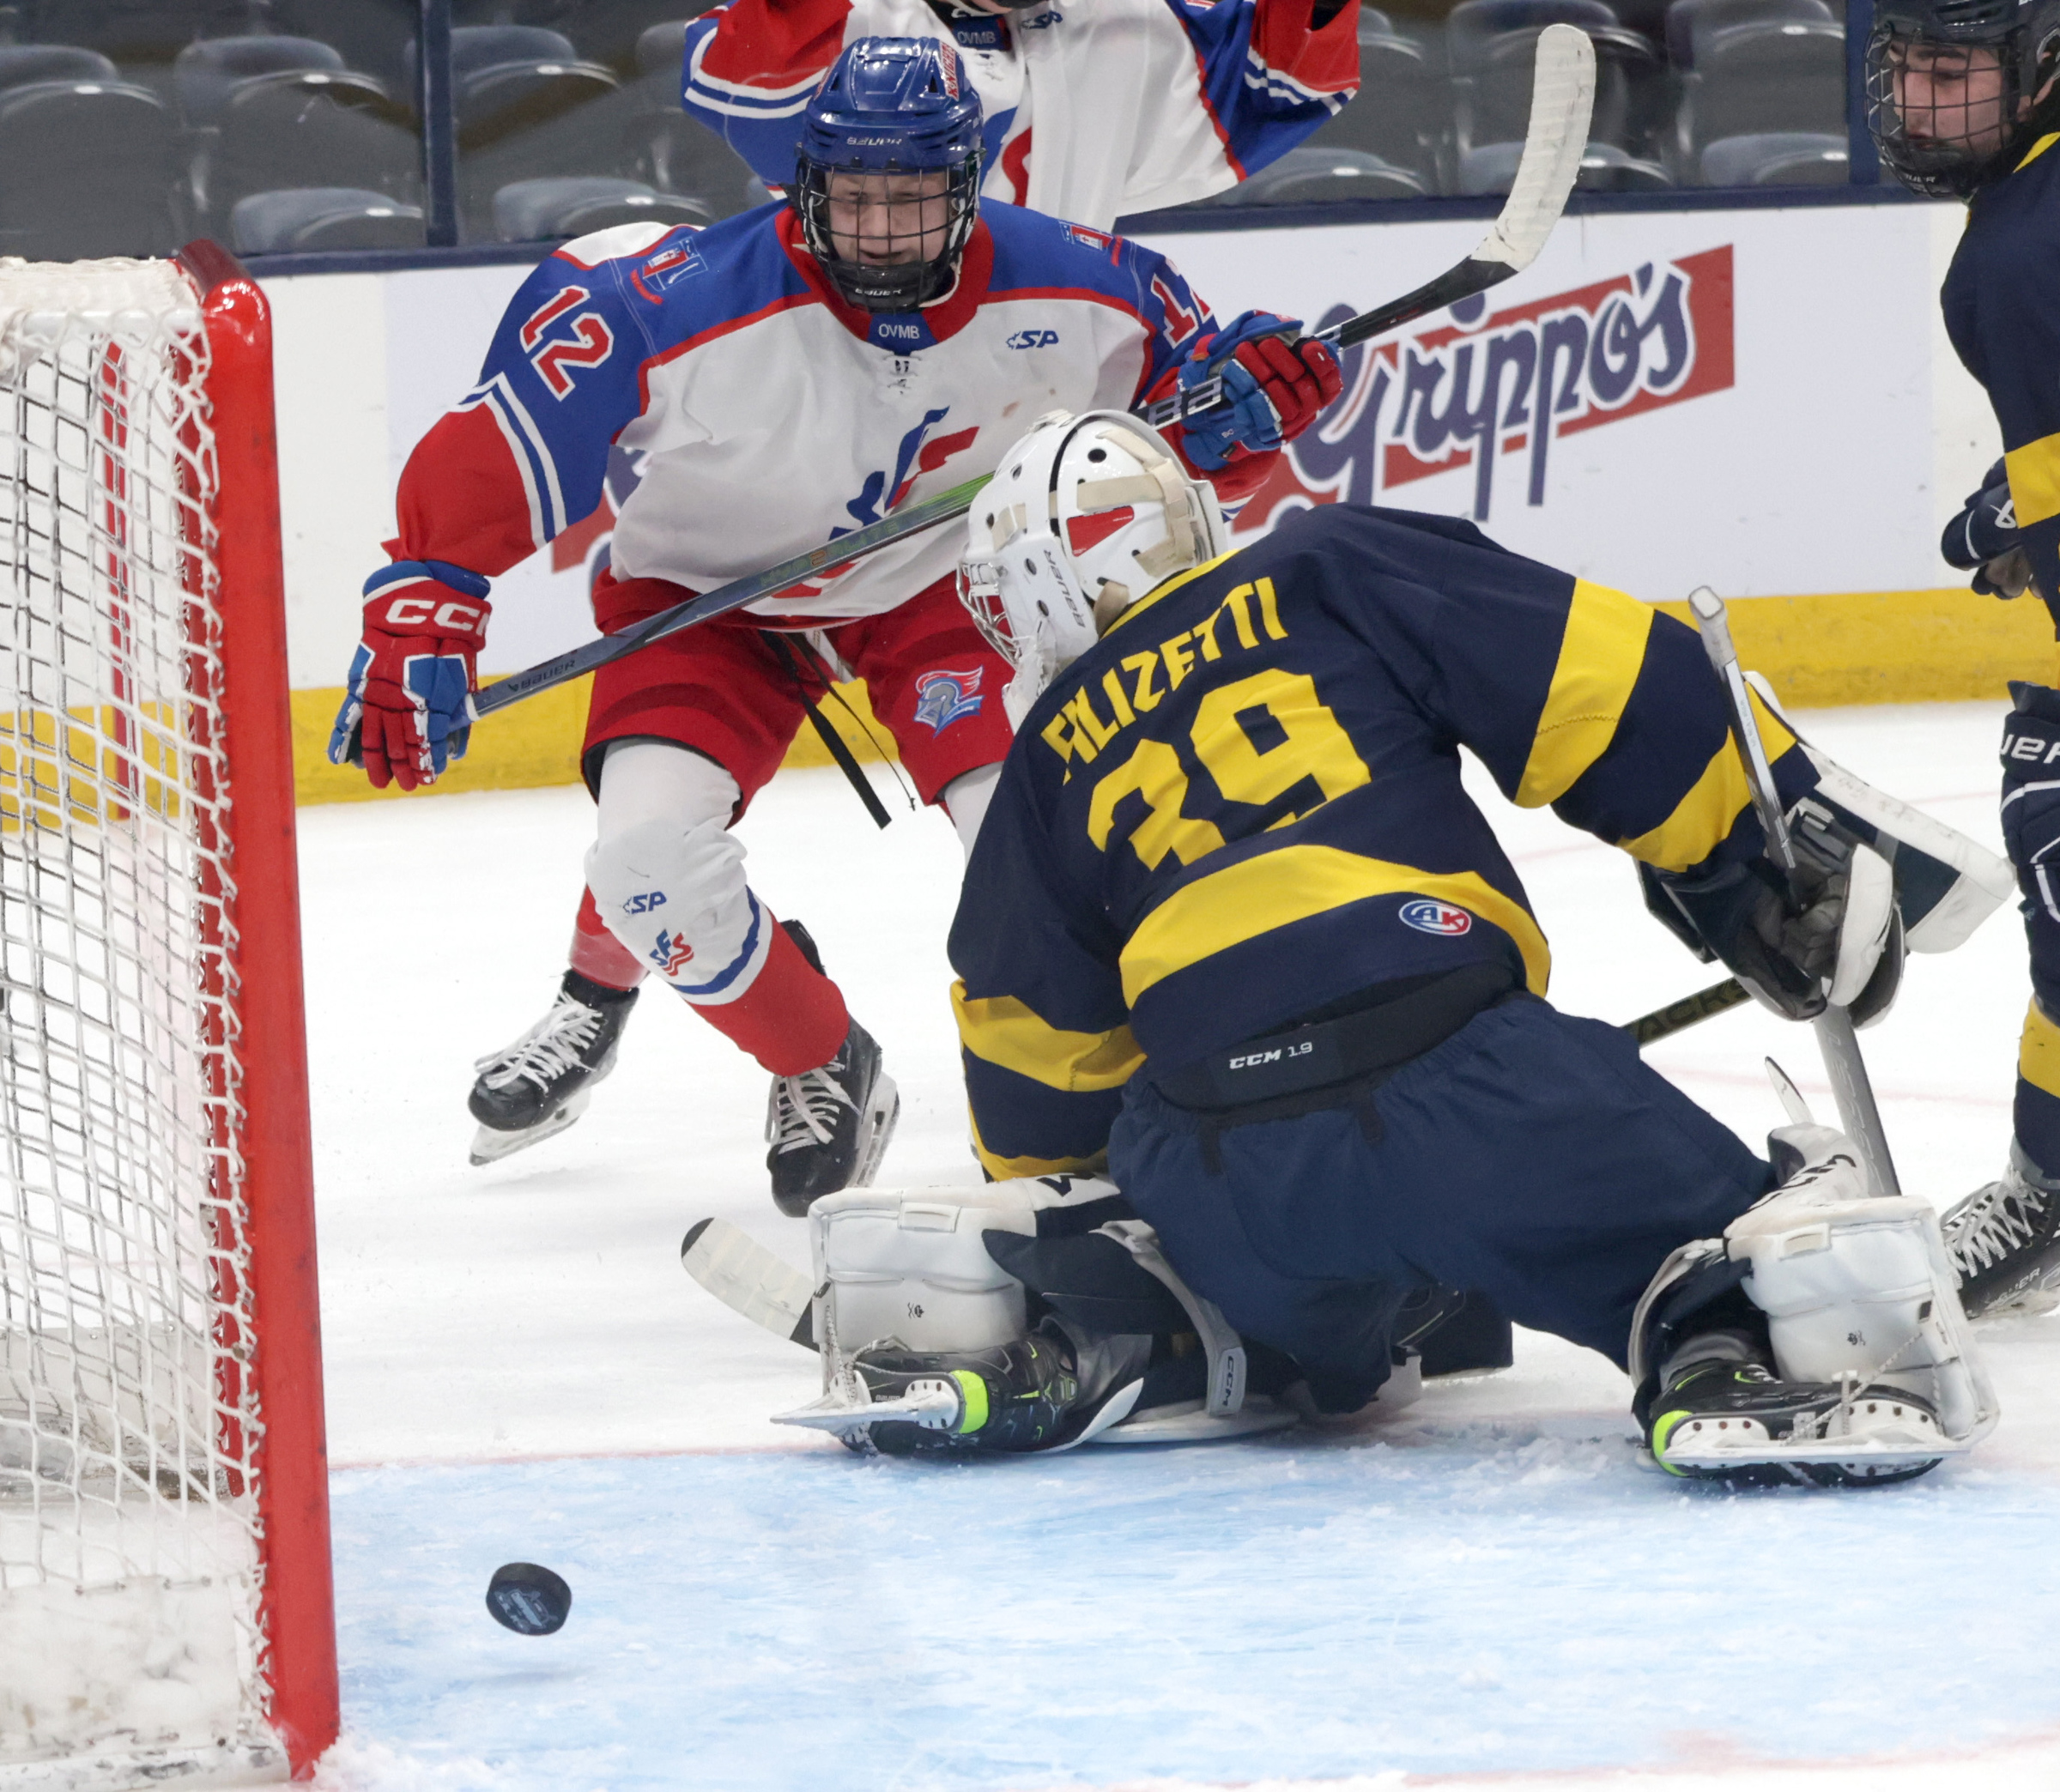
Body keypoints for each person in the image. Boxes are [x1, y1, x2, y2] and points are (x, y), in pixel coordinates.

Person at [808, 407, 2008, 1480]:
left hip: (1223, 1173)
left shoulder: (1043, 760)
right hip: (1477, 1095)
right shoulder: (1326, 563)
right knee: (1700, 1254)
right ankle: (1724, 1350)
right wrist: (1737, 863)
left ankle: (1153, 1326)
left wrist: (1108, 1221)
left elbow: (1029, 1048)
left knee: (1287, 1321)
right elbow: (1614, 683)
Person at [329, 39, 1341, 1210]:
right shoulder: (671, 300)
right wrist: (431, 596)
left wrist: (1255, 420)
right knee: (648, 865)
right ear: (804, 185)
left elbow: (1192, 464)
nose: (880, 230)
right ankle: (820, 1059)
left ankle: (1120, 1117)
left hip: (938, 594)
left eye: (911, 201)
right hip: (706, 606)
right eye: (853, 199)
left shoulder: (1091, 284)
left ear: (970, 185)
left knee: (1034, 854)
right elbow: (502, 445)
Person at [1869, 0, 2060, 1315]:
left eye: (1951, 70)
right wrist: (2014, 501)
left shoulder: (2009, 259)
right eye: (1907, 71)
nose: (1920, 103)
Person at [679, 0, 1360, 231]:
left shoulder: (1125, 25)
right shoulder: (848, 21)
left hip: (1050, 394)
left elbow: (1284, 81)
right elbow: (730, 78)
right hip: (856, 387)